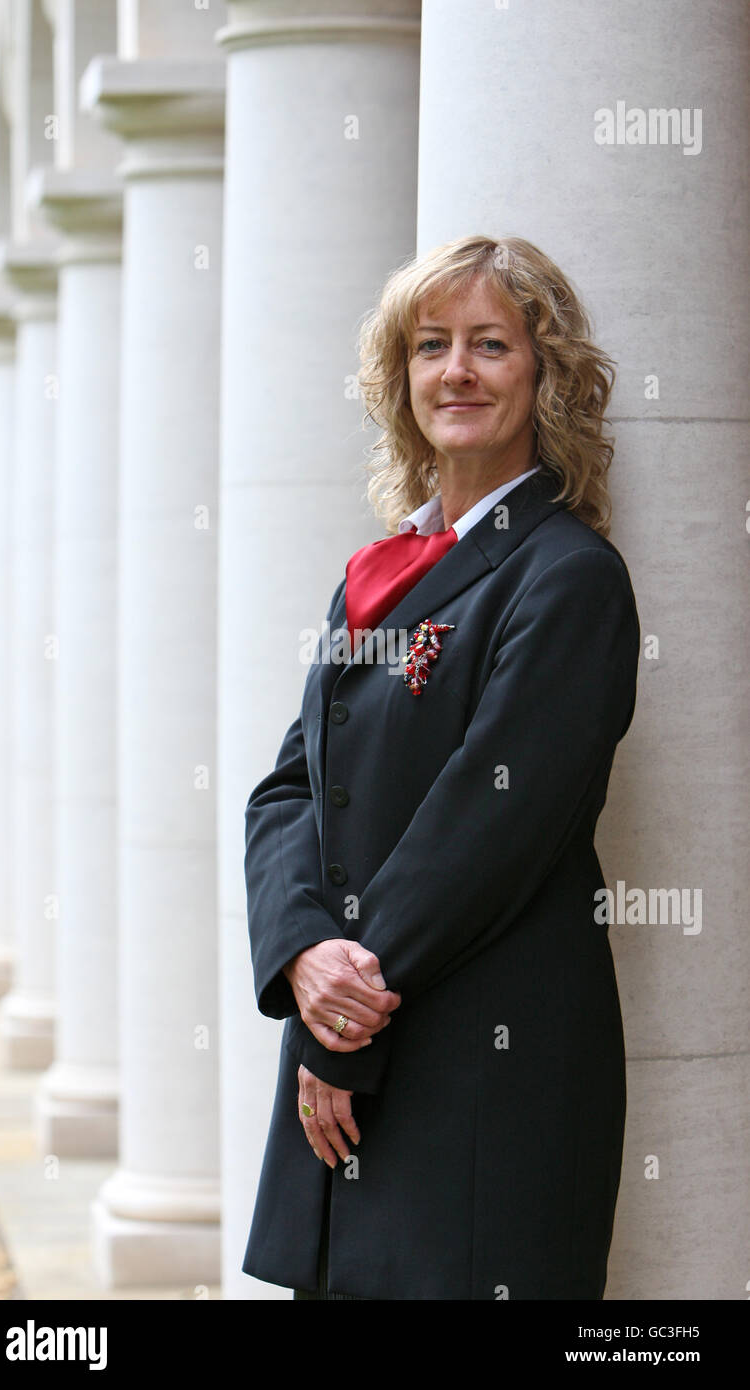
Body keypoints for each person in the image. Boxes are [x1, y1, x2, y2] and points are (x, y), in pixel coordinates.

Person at [241, 235, 641, 1300]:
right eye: (430, 345)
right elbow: (289, 791)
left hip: (483, 1066)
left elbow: (483, 831)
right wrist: (299, 954)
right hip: (358, 1042)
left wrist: (341, 1023)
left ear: (542, 374)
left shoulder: (567, 578)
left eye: (488, 344)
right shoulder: (376, 573)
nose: (453, 370)